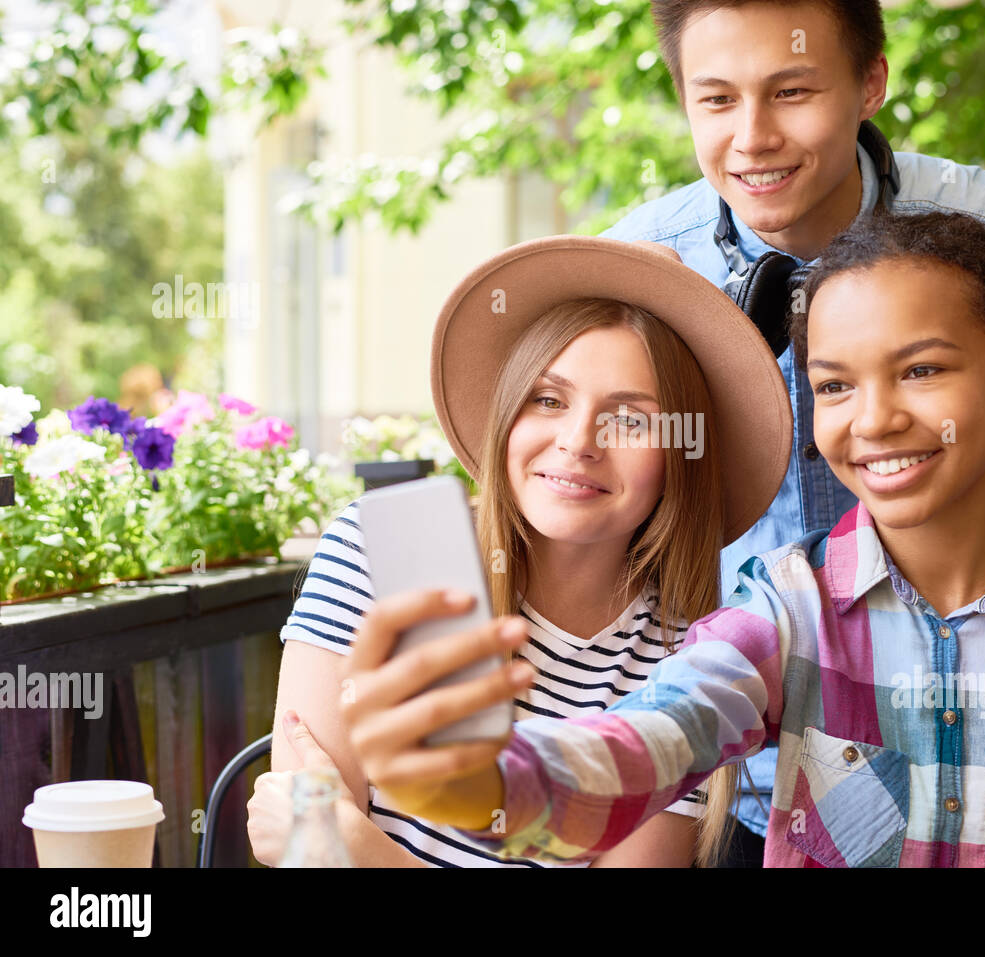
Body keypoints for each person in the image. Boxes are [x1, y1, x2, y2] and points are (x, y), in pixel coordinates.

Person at [340, 210, 985, 867]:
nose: (875, 420)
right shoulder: (783, 607)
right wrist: (483, 783)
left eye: (922, 369)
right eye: (834, 385)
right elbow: (645, 743)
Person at [598, 0, 985, 860]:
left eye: (790, 91)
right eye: (716, 101)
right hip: (730, 788)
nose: (752, 137)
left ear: (870, 84)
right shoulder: (638, 267)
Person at [247, 236, 790, 867]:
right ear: (509, 411)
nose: (578, 442)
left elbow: (323, 846)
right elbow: (300, 853)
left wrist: (368, 855)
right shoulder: (385, 548)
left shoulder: (693, 661)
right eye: (549, 400)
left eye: (631, 420)